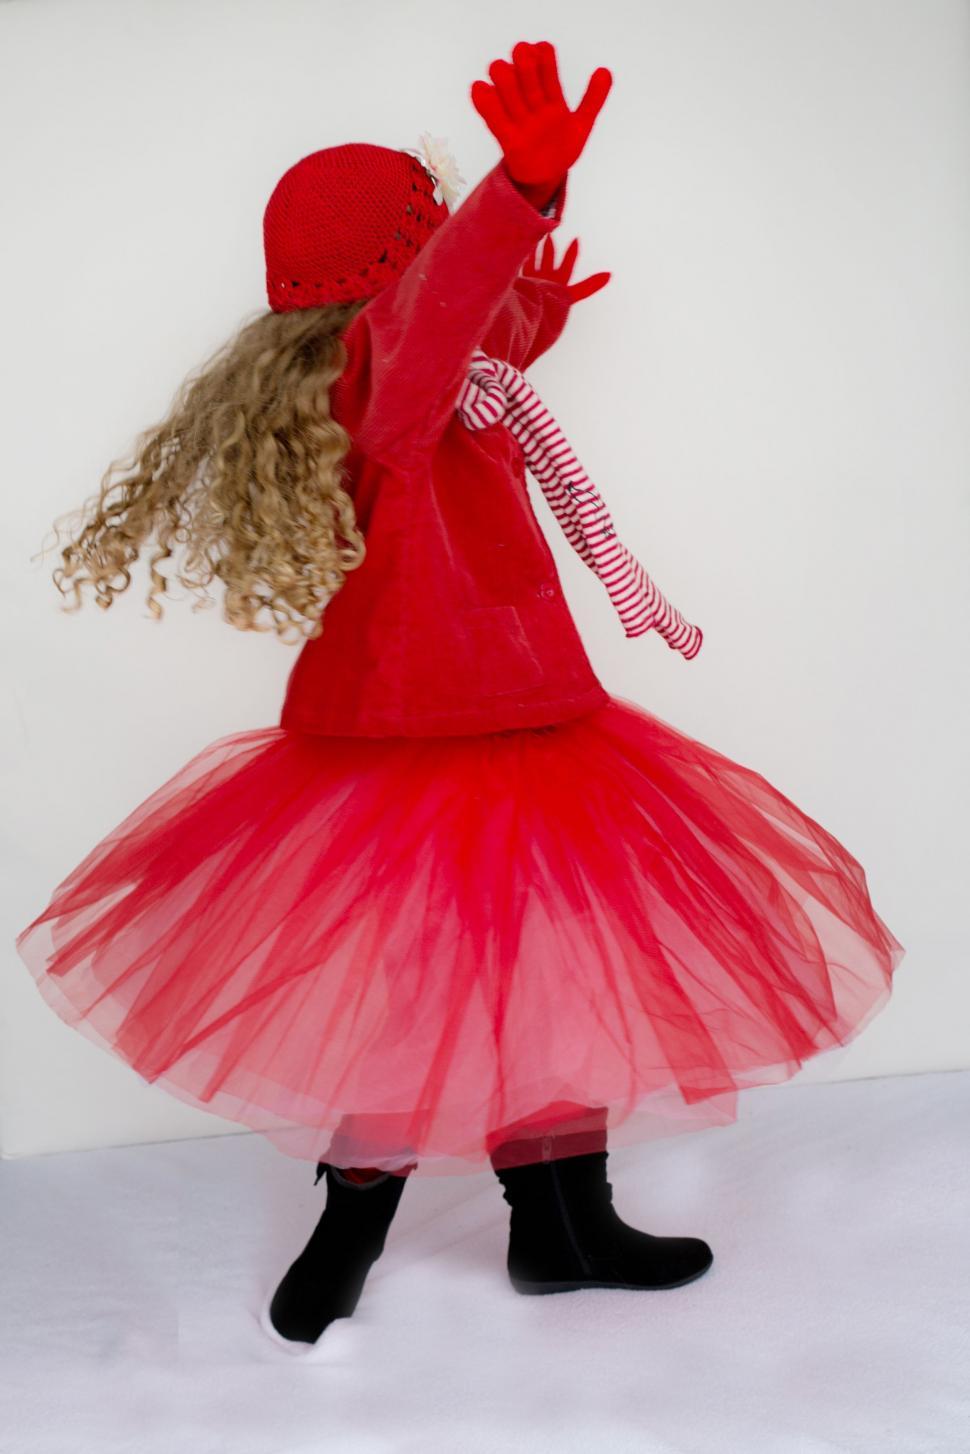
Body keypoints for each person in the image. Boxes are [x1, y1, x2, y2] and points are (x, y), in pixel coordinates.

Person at [15, 40, 904, 1356]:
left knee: (549, 980)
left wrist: (530, 307)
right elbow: (431, 335)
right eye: (434, 248)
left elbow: (454, 342)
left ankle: (562, 1223)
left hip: (529, 727)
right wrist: (516, 193)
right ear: (401, 270)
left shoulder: (407, 384)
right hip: (416, 743)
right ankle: (354, 1222)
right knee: (407, 996)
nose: (459, 287)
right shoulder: (382, 385)